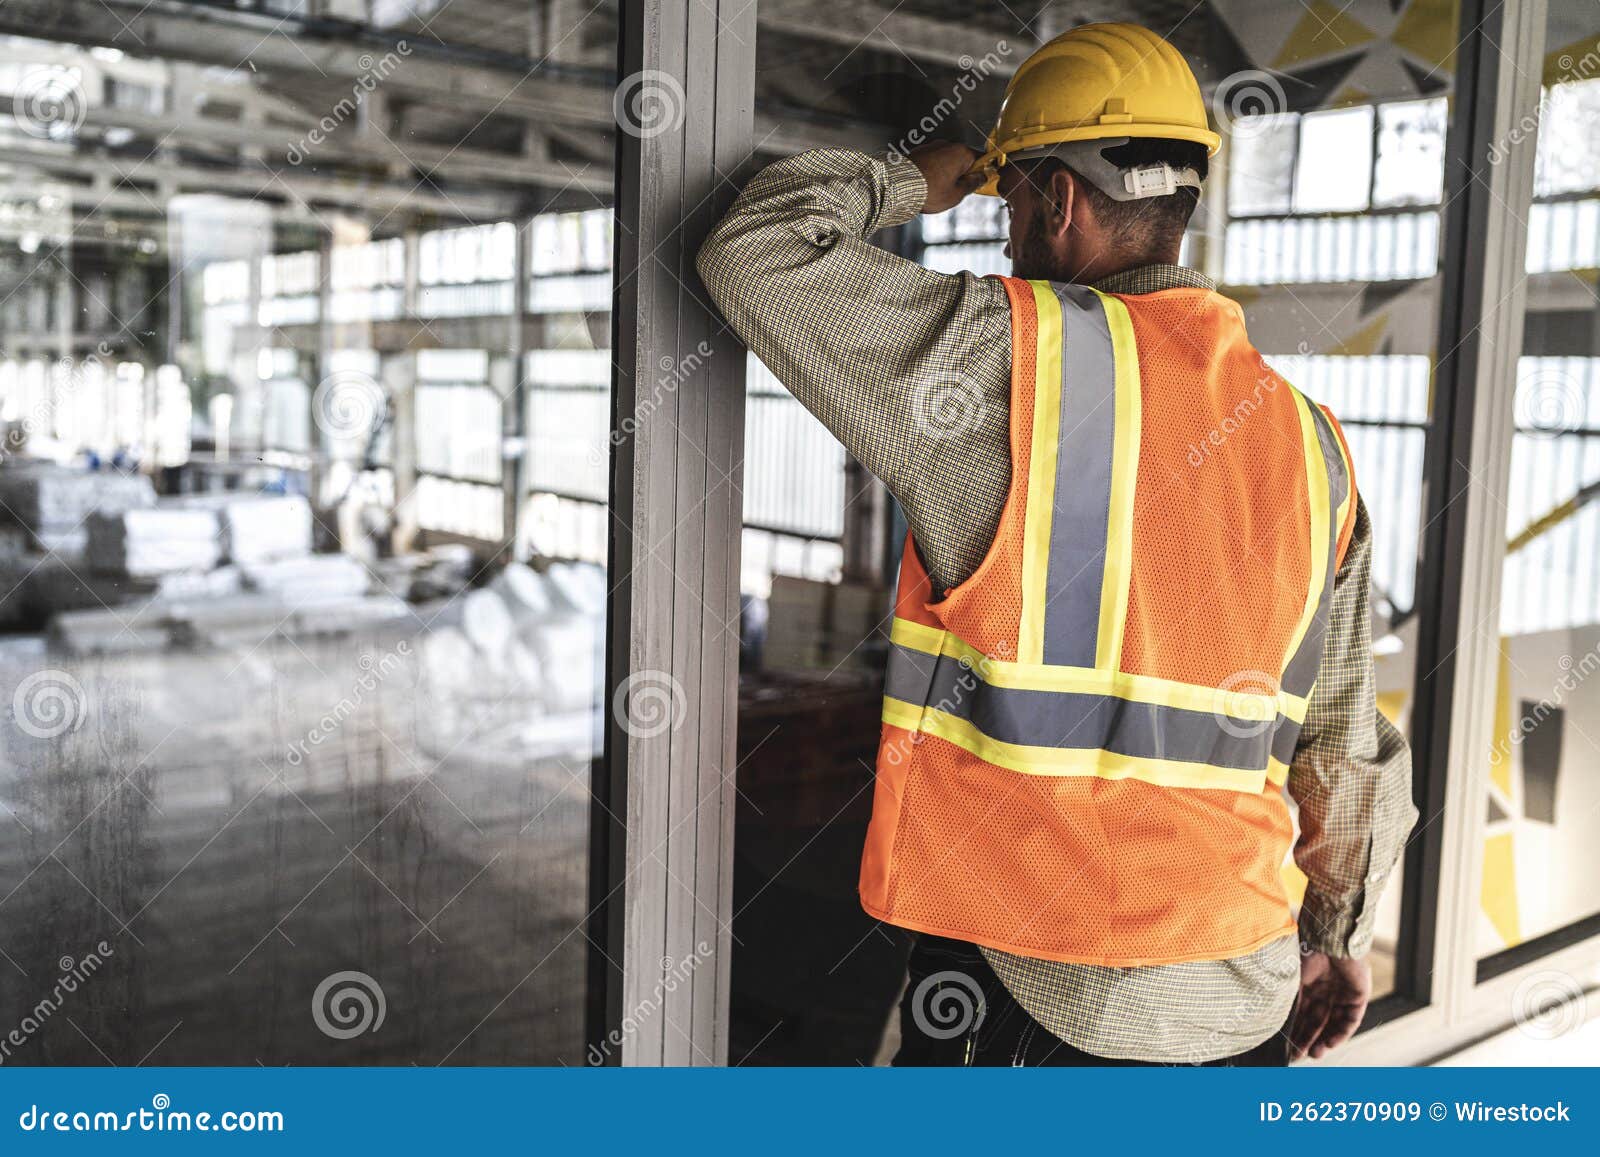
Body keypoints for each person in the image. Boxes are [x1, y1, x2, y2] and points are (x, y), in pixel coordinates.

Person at [697, 22, 1415, 1067]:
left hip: (1040, 984)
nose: (1005, 234)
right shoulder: (1312, 445)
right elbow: (1342, 746)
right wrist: (1333, 939)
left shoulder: (1009, 365)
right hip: (1243, 997)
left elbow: (753, 248)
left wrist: (913, 180)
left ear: (1059, 202)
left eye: (1008, 203)